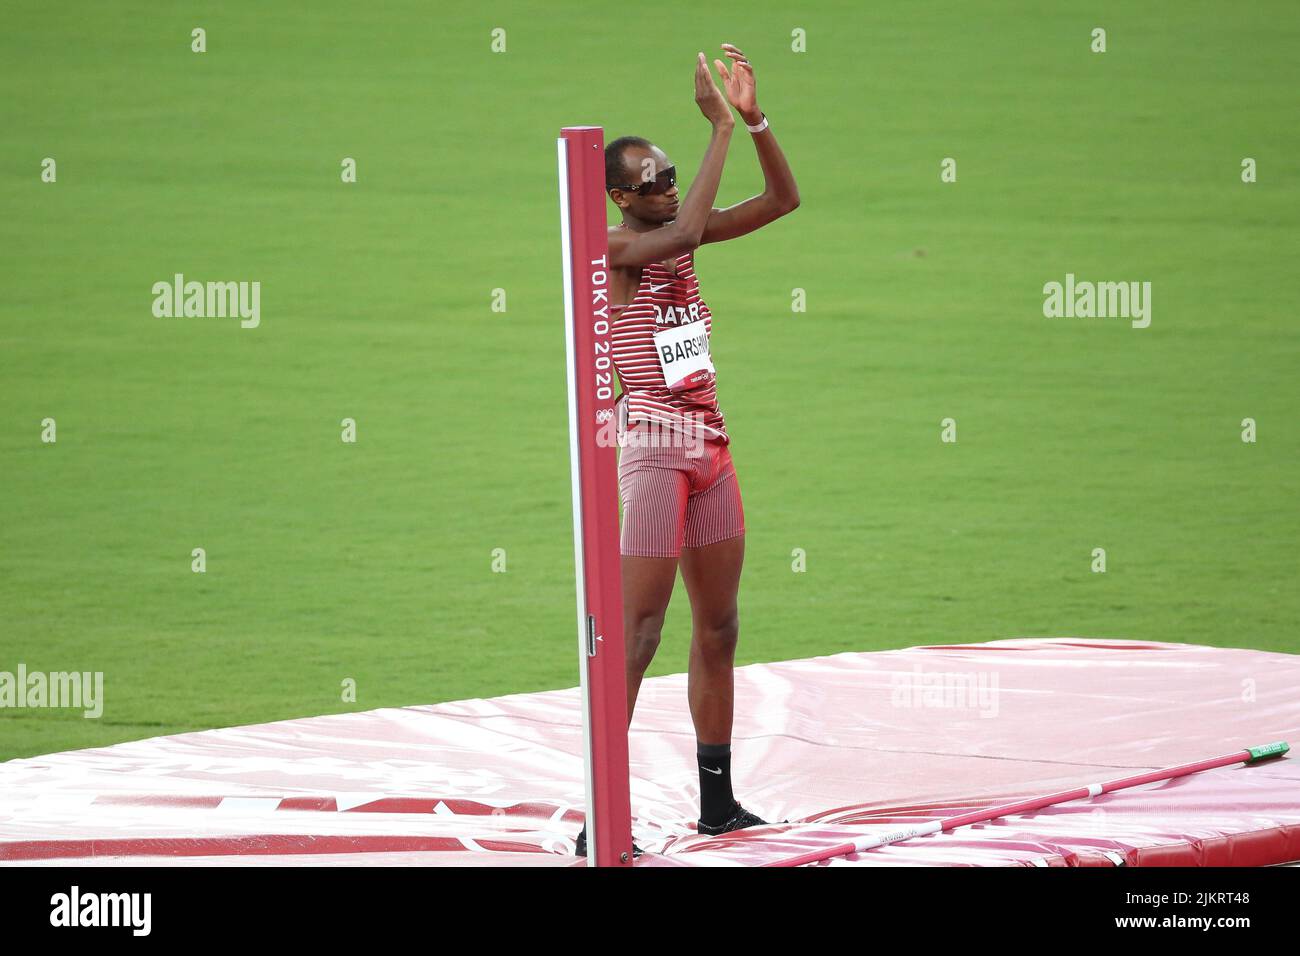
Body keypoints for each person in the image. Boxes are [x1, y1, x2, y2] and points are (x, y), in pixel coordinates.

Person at [575, 44, 800, 857]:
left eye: (671, 174)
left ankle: (717, 804)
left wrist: (755, 119)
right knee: (639, 633)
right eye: (651, 182)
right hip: (656, 446)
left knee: (721, 626)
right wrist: (717, 135)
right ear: (615, 199)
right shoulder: (613, 251)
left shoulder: (678, 231)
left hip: (711, 443)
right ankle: (601, 814)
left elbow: (783, 200)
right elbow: (696, 223)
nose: (668, 188)